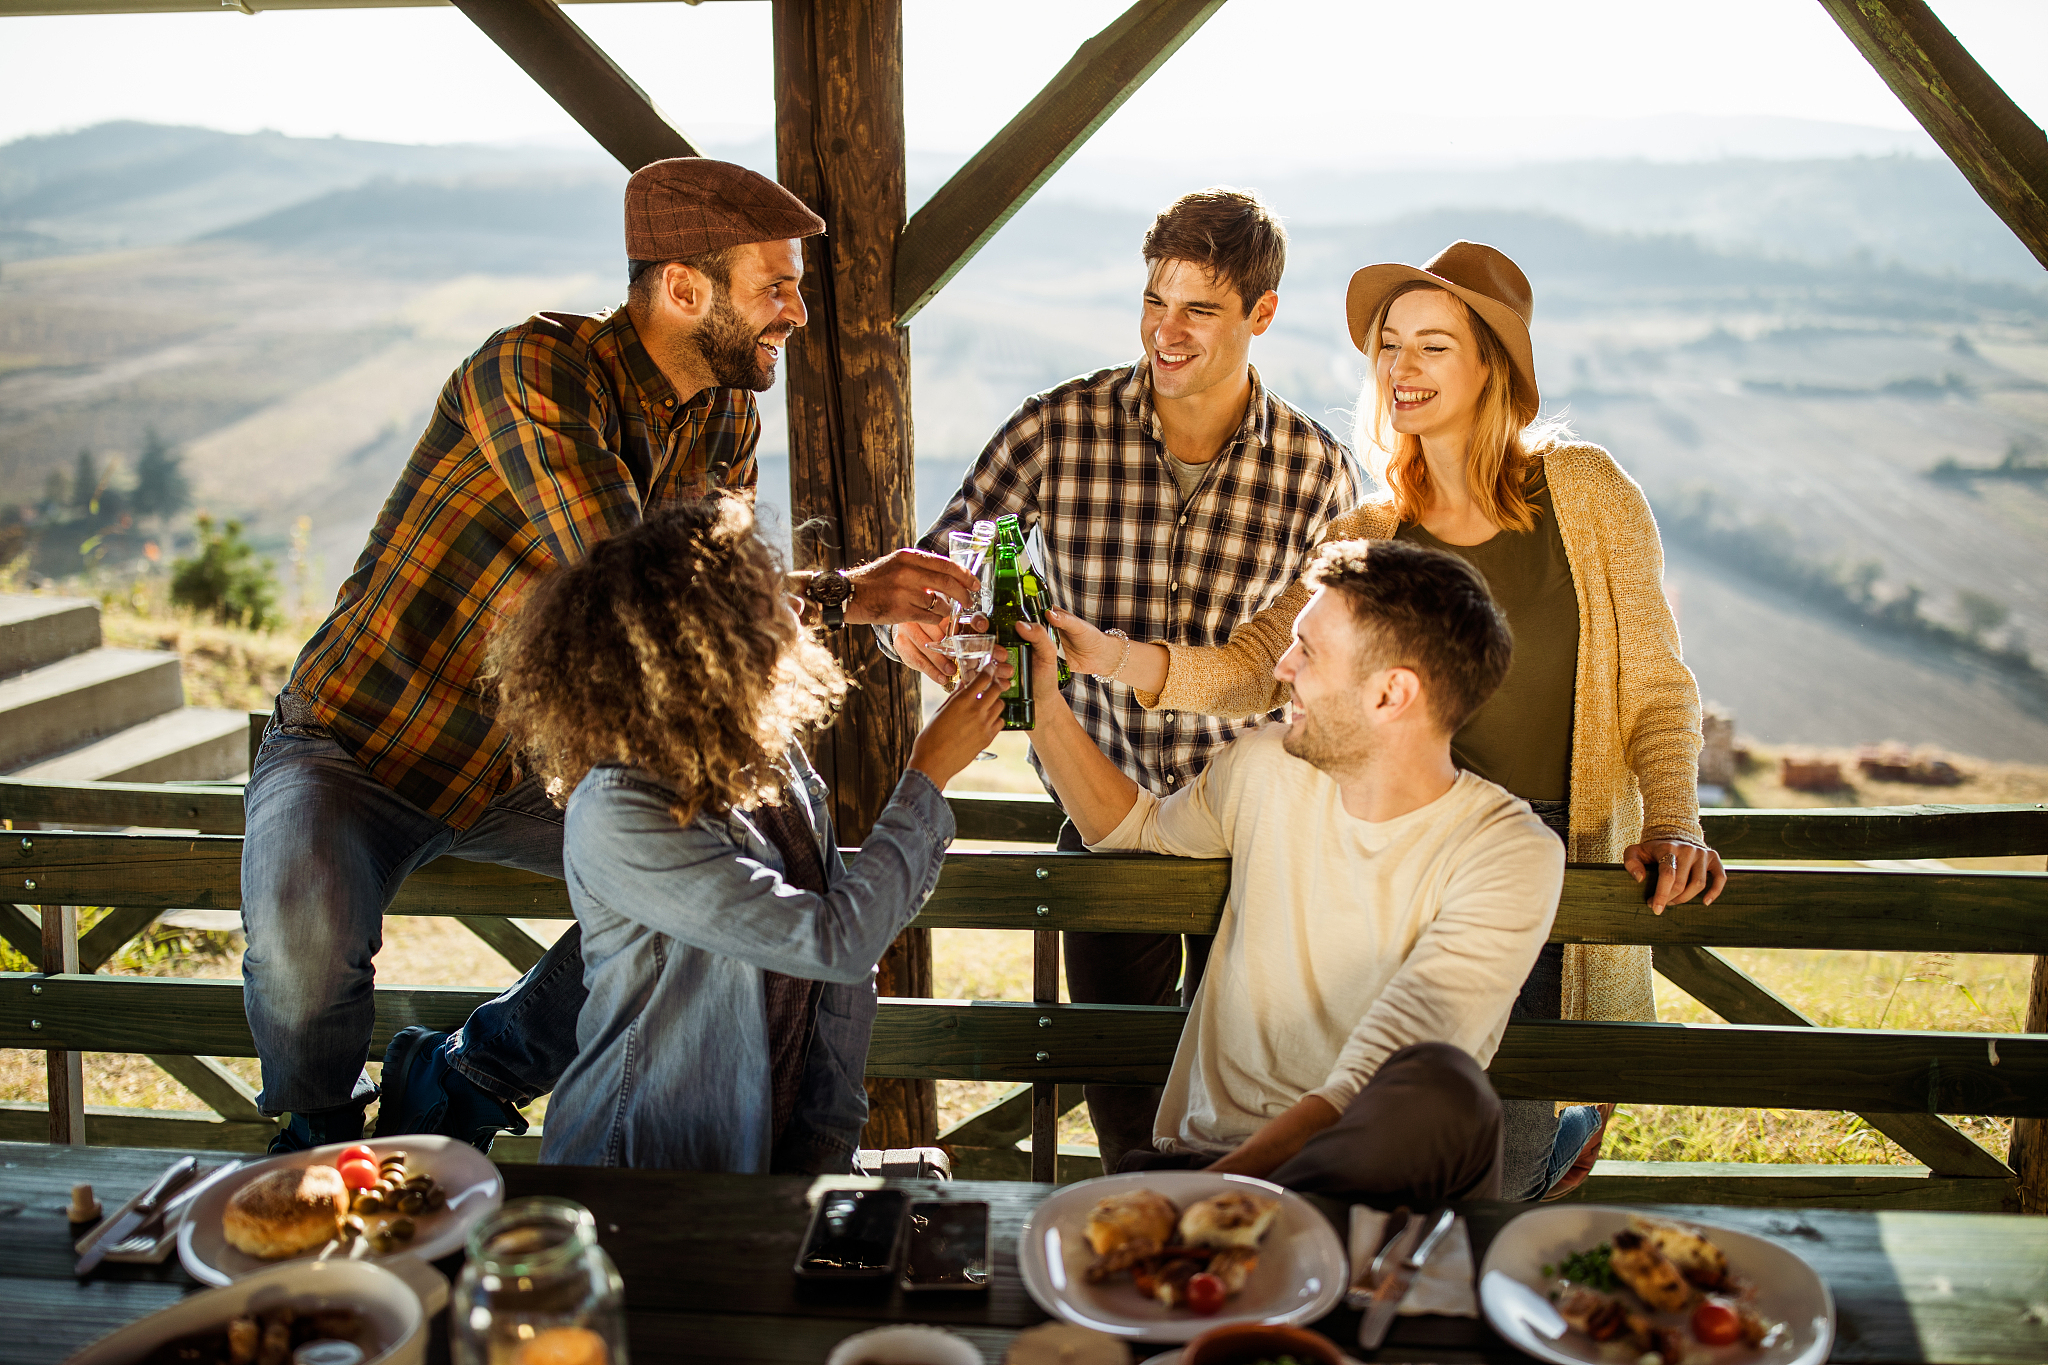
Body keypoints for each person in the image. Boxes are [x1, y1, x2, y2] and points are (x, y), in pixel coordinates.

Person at [241, 157, 983, 1153]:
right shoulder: (535, 374)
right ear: (684, 289)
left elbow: (705, 621)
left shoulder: (725, 413)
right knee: (306, 942)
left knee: (717, 882)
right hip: (361, 735)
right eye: (776, 286)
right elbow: (633, 579)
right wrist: (847, 595)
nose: (796, 313)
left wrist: (861, 608)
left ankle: (468, 1078)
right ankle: (317, 1146)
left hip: (533, 764)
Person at [1044, 240, 1728, 1199]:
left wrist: (1673, 818)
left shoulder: (1589, 495)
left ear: (1495, 366)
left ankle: (1550, 1142)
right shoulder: (1369, 535)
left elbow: (1657, 684)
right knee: (1389, 1119)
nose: (1401, 369)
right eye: (1389, 346)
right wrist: (1105, 655)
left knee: (1494, 1154)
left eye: (1433, 348)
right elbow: (1253, 669)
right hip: (1392, 850)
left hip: (1537, 857)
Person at [880, 188, 1364, 1173]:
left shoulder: (1315, 472)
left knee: (1244, 1111)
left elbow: (1332, 667)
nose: (1164, 329)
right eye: (1154, 299)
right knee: (1127, 1125)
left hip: (1258, 831)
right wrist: (910, 625)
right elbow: (948, 562)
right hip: (1104, 814)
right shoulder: (1056, 431)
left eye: (1198, 308)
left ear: (1260, 315)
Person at [1014, 538, 1561, 1201]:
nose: (1283, 665)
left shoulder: (1507, 852)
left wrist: (1179, 1212)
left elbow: (1370, 1085)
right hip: (1208, 1157)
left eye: (1310, 650)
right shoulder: (1264, 766)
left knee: (1448, 1095)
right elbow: (1140, 832)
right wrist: (1042, 701)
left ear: (1392, 693)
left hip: (1365, 1181)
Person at [481, 498, 1004, 1172]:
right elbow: (833, 941)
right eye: (764, 594)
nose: (793, 610)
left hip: (774, 1164)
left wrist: (823, 1148)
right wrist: (927, 774)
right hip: (641, 1182)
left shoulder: (765, 755)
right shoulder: (618, 813)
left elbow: (843, 965)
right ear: (697, 642)